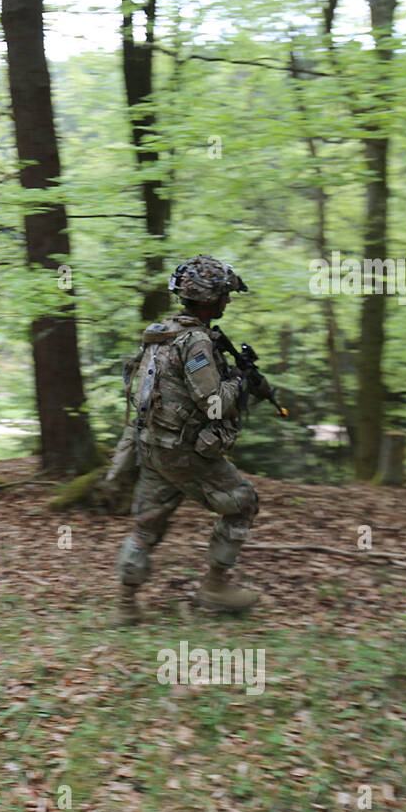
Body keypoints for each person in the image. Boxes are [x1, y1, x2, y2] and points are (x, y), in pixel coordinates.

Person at [114, 255, 271, 625]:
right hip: (183, 452)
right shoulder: (195, 340)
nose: (228, 301)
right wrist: (241, 383)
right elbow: (213, 402)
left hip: (152, 444)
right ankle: (215, 587)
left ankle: (125, 602)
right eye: (224, 295)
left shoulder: (163, 332)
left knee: (147, 524)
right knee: (244, 503)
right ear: (207, 298)